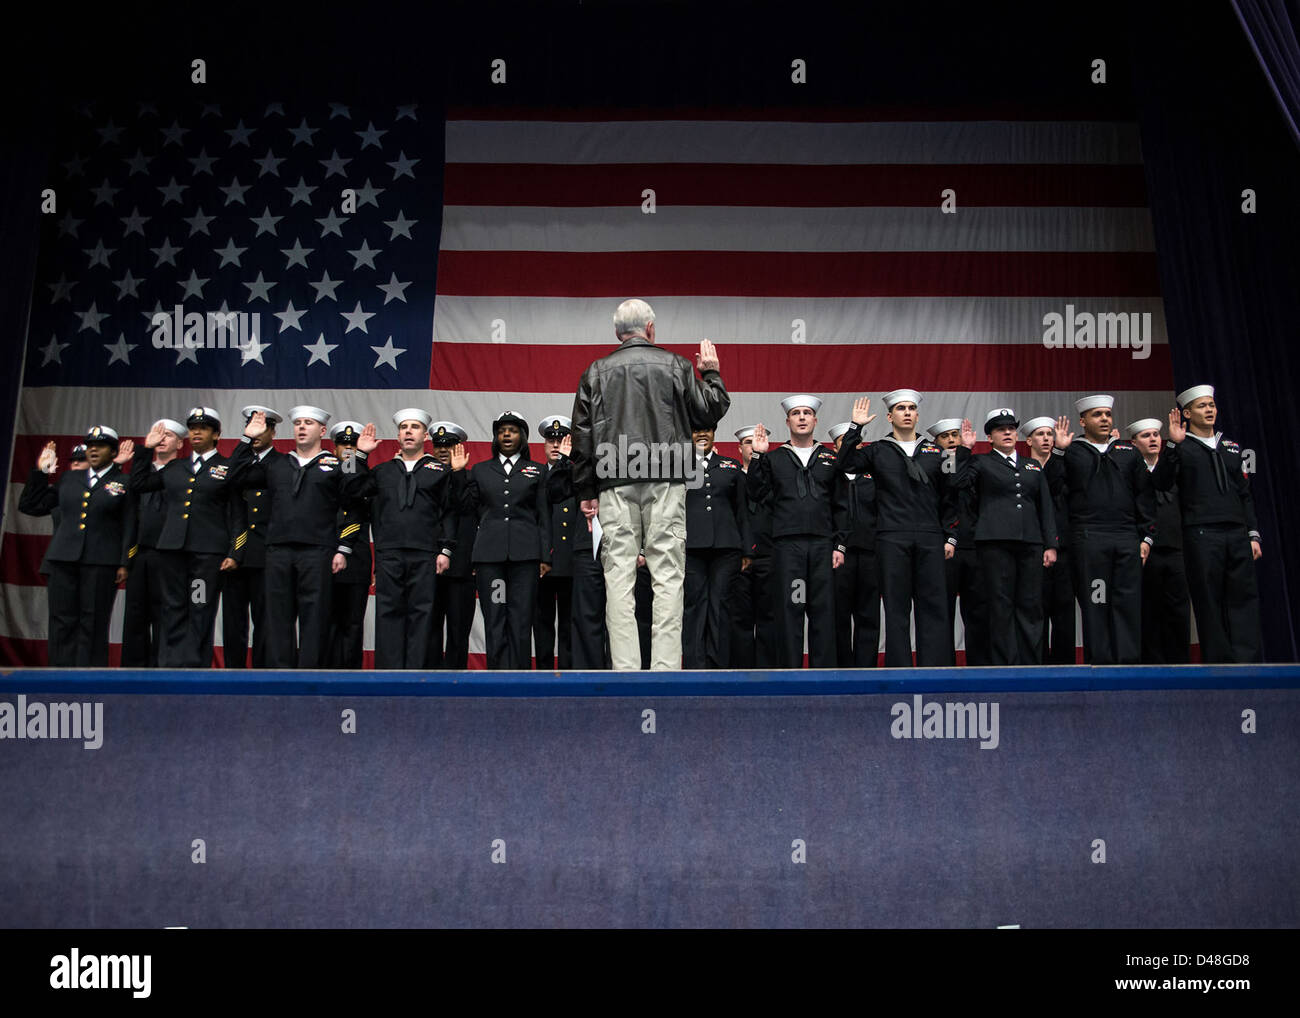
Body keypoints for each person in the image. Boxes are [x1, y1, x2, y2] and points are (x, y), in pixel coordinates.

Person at [570, 298, 730, 671]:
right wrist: (712, 373)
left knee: (619, 579)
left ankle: (626, 670)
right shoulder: (675, 365)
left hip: (614, 481)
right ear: (651, 330)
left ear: (618, 333)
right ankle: (664, 671)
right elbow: (711, 410)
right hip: (665, 478)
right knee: (668, 577)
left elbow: (581, 436)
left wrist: (586, 490)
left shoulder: (596, 371)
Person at [227, 407, 369, 668]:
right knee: (277, 618)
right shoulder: (277, 464)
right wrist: (246, 439)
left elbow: (356, 492)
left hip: (318, 551)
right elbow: (234, 477)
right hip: (278, 551)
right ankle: (282, 680)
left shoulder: (335, 464)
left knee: (315, 619)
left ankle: (309, 680)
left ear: (322, 431)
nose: (302, 427)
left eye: (309, 423)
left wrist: (358, 456)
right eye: (298, 423)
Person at [836, 391, 958, 667]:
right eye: (900, 408)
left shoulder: (936, 452)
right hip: (892, 536)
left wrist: (950, 535)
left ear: (917, 415)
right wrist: (856, 427)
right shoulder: (878, 450)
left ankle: (934, 669)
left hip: (929, 536)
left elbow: (950, 496)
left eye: (911, 408)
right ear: (890, 417)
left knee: (933, 606)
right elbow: (845, 463)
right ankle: (900, 669)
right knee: (896, 606)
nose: (906, 412)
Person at [1151, 384, 1262, 662]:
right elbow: (1161, 482)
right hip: (1201, 533)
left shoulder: (1232, 447)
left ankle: (1247, 663)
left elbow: (1245, 494)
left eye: (1211, 405)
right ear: (1187, 413)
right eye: (1202, 406)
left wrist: (1253, 534)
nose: (1209, 410)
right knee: (1209, 600)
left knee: (1243, 596)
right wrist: (1173, 444)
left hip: (1236, 533)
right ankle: (1221, 664)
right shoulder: (1182, 446)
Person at [354, 409, 467, 670]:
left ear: (425, 435)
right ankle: (388, 677)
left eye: (414, 427)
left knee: (422, 615)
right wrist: (360, 456)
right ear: (397, 435)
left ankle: (416, 675)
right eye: (404, 427)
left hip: (425, 552)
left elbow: (451, 511)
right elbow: (353, 491)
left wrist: (446, 550)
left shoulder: (439, 470)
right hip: (389, 553)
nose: (408, 431)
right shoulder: (381, 471)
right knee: (387, 613)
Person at [1046, 395, 1155, 665]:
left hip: (1127, 537)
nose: (1105, 418)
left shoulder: (1128, 452)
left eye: (1107, 414)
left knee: (1127, 603)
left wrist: (1147, 536)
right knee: (1097, 603)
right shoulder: (1071, 452)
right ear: (1083, 421)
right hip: (1089, 539)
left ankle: (1128, 665)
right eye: (1097, 415)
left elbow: (1145, 496)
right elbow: (1051, 488)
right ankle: (1102, 665)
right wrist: (1058, 452)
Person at [129, 408, 239, 668]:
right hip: (173, 552)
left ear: (216, 434)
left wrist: (235, 551)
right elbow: (139, 483)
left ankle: (195, 663)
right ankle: (170, 663)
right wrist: (146, 450)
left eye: (203, 428)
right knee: (173, 605)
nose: (196, 432)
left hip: (207, 554)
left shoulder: (226, 467)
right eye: (192, 428)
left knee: (199, 605)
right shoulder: (175, 467)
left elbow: (236, 514)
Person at [19, 425, 135, 666]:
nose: (93, 450)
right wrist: (41, 472)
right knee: (62, 619)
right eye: (90, 445)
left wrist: (124, 561)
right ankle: (59, 676)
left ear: (113, 452)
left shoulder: (124, 482)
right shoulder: (70, 478)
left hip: (101, 561)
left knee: (92, 621)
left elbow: (129, 525)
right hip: (62, 559)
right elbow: (32, 505)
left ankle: (88, 677)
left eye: (100, 446)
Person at [955, 409, 1059, 664]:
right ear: (989, 437)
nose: (1008, 433)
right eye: (1001, 429)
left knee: (1031, 603)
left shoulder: (1032, 465)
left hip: (1030, 542)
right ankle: (1005, 663)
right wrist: (965, 451)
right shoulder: (980, 462)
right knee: (1000, 605)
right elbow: (958, 483)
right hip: (995, 542)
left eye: (1011, 428)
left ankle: (1030, 663)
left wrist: (1050, 544)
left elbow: (1044, 506)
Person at [747, 396, 840, 668]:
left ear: (815, 420)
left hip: (823, 547)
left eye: (807, 413)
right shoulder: (775, 458)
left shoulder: (829, 459)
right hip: (789, 549)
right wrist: (758, 455)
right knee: (791, 610)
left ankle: (824, 677)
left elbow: (840, 504)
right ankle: (791, 674)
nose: (801, 417)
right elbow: (755, 492)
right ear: (788, 421)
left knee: (823, 611)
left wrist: (840, 544)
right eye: (796, 414)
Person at [460, 410, 551, 669]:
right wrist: (458, 474)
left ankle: (520, 677)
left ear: (522, 436)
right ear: (495, 437)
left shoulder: (537, 470)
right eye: (501, 431)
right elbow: (469, 508)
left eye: (512, 430)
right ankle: (496, 677)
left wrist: (545, 556)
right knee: (496, 615)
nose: (506, 434)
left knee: (521, 617)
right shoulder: (480, 470)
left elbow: (543, 515)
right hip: (491, 561)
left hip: (525, 559)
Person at [121, 419, 185, 667]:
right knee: (135, 615)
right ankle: (131, 673)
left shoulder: (183, 471)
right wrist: (144, 451)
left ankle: (163, 669)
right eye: (157, 435)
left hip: (170, 554)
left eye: (167, 435)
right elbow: (130, 513)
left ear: (180, 443)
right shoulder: (142, 473)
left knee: (167, 613)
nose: (161, 439)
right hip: (140, 553)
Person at [683, 426, 748, 668]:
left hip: (726, 547)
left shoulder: (730, 466)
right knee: (694, 606)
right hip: (690, 547)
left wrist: (746, 550)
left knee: (721, 605)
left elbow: (741, 510)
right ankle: (693, 667)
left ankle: (719, 667)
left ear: (714, 434)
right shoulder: (679, 466)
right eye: (696, 430)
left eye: (707, 430)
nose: (702, 434)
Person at [222, 405, 281, 668]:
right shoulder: (238, 460)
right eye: (249, 428)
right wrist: (245, 441)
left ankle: (261, 675)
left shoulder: (280, 463)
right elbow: (227, 477)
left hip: (266, 552)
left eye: (261, 428)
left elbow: (257, 477)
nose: (255, 433)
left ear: (273, 431)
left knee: (266, 620)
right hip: (235, 553)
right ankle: (232, 675)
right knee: (233, 621)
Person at [546, 430, 610, 669]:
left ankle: (623, 675)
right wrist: (565, 461)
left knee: (622, 615)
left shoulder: (627, 448)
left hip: (624, 542)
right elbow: (556, 492)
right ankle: (591, 678)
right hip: (587, 544)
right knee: (586, 615)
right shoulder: (580, 458)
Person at [1128, 418, 1190, 664]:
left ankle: (1181, 666)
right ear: (1133, 443)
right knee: (1149, 610)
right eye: (1146, 435)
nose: (1153, 439)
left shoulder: (1173, 466)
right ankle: (1153, 666)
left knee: (1178, 609)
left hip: (1175, 548)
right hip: (1145, 550)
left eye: (1156, 434)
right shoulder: (1130, 471)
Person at [928, 417, 985, 664]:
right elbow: (951, 480)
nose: (951, 439)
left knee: (977, 611)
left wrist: (965, 453)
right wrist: (961, 453)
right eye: (945, 436)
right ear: (936, 442)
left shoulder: (975, 464)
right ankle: (944, 667)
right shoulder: (933, 467)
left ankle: (979, 668)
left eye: (955, 435)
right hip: (943, 548)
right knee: (943, 610)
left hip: (973, 546)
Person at [1022, 415, 1076, 663]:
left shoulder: (1065, 464)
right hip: (1032, 549)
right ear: (1029, 439)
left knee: (1064, 611)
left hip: (1064, 548)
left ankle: (1065, 667)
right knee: (1035, 609)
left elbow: (1053, 488)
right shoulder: (1020, 468)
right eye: (1041, 434)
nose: (1046, 439)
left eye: (1049, 434)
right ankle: (1037, 664)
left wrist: (1061, 454)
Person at [829, 421, 880, 667]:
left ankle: (866, 670)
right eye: (847, 442)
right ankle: (842, 670)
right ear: (837, 446)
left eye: (859, 442)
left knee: (868, 614)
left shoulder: (874, 475)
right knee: (839, 615)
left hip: (870, 552)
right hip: (840, 554)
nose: (855, 446)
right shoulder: (829, 475)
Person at [428, 422, 477, 669]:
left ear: (459, 447)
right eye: (438, 445)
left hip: (461, 567)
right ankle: (431, 682)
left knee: (458, 631)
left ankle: (456, 681)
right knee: (429, 629)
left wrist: (458, 474)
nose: (443, 449)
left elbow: (469, 512)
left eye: (449, 444)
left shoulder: (470, 478)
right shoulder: (422, 476)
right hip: (427, 566)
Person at [729, 425, 776, 668]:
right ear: (739, 448)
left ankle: (768, 675)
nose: (752, 445)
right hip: (741, 557)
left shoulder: (775, 476)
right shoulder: (731, 476)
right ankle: (743, 673)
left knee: (769, 618)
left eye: (756, 441)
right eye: (747, 442)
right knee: (741, 619)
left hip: (769, 554)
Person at [327, 422, 372, 669]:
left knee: (353, 623)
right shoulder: (323, 476)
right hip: (323, 556)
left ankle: (350, 675)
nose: (347, 448)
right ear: (334, 448)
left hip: (356, 558)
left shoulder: (366, 477)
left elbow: (357, 505)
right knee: (327, 620)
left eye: (352, 444)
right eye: (342, 444)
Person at [534, 416, 575, 670]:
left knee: (571, 623)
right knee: (543, 624)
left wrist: (568, 463)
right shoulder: (534, 474)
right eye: (551, 440)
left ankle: (570, 676)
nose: (556, 445)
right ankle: (545, 676)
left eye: (561, 440)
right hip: (542, 561)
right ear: (544, 444)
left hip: (572, 559)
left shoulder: (578, 474)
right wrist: (541, 556)